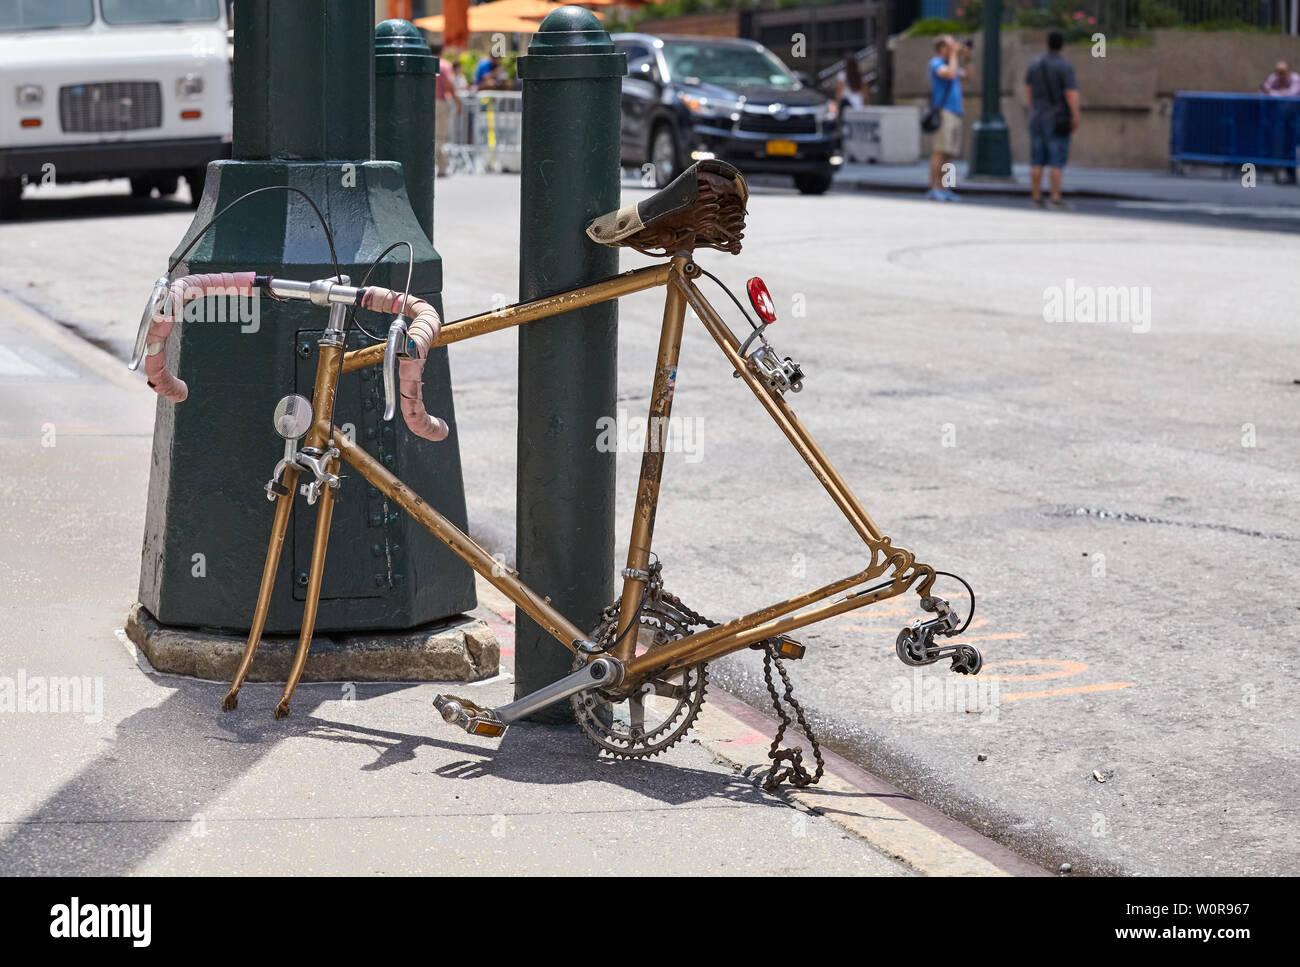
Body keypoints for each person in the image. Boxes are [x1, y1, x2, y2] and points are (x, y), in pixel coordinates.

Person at [1025, 30, 1080, 211]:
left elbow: (1028, 92)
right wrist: (1075, 115)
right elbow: (1071, 93)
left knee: (1036, 160)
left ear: (1047, 43)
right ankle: (1055, 198)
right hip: (1057, 118)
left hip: (1037, 116)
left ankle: (1036, 197)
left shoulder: (1034, 65)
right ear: (1061, 45)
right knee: (1056, 161)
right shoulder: (1065, 67)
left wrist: (1034, 108)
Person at [926, 35, 965, 202]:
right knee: (940, 151)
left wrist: (967, 56)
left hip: (956, 111)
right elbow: (949, 74)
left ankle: (946, 187)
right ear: (942, 48)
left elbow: (969, 76)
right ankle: (934, 188)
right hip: (944, 112)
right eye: (950, 45)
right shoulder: (936, 63)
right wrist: (955, 55)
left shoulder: (952, 63)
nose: (954, 46)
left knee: (949, 154)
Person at [434, 46, 464, 178]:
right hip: (440, 102)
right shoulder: (445, 65)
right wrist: (458, 103)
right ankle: (436, 164)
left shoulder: (428, 62)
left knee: (432, 135)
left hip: (427, 102)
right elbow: (449, 85)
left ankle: (441, 166)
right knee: (440, 136)